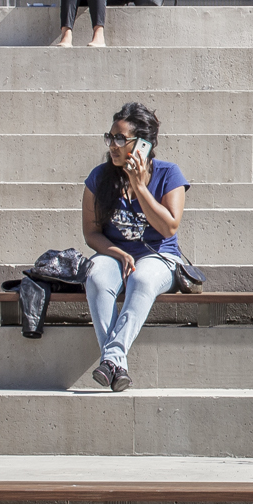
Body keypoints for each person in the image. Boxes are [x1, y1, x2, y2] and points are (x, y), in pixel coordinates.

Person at [81, 102, 188, 392]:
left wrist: (139, 186)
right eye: (110, 137)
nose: (112, 145)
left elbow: (168, 227)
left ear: (143, 144)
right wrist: (116, 252)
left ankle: (111, 359)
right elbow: (91, 233)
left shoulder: (169, 175)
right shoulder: (99, 178)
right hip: (114, 254)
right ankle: (117, 364)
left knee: (141, 277)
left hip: (160, 257)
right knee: (97, 276)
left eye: (119, 139)